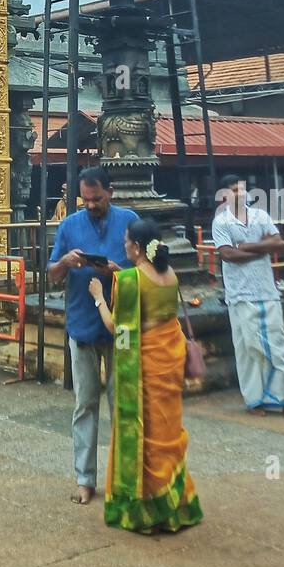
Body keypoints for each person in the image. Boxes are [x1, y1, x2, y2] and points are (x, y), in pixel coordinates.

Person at [88, 220, 203, 534]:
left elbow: (118, 331)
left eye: (126, 242)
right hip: (170, 360)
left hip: (145, 369)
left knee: (145, 437)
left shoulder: (130, 281)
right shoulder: (171, 276)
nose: (123, 246)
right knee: (167, 434)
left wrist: (99, 296)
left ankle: (144, 509)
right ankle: (174, 503)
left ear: (137, 248)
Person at [47, 166, 135, 505]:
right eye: (85, 199)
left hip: (121, 328)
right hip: (82, 324)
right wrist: (66, 263)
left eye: (97, 199)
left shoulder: (129, 220)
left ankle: (124, 477)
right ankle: (85, 478)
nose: (91, 205)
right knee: (85, 404)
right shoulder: (70, 226)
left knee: (122, 405)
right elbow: (52, 275)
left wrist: (115, 272)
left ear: (110, 192)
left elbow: (146, 270)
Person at [211, 175, 284, 421]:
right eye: (233, 189)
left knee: (278, 346)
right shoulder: (221, 222)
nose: (239, 193)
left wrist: (246, 247)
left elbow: (278, 241)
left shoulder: (261, 216)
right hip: (239, 294)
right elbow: (228, 255)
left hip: (266, 291)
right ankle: (254, 400)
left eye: (241, 188)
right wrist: (261, 247)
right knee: (248, 348)